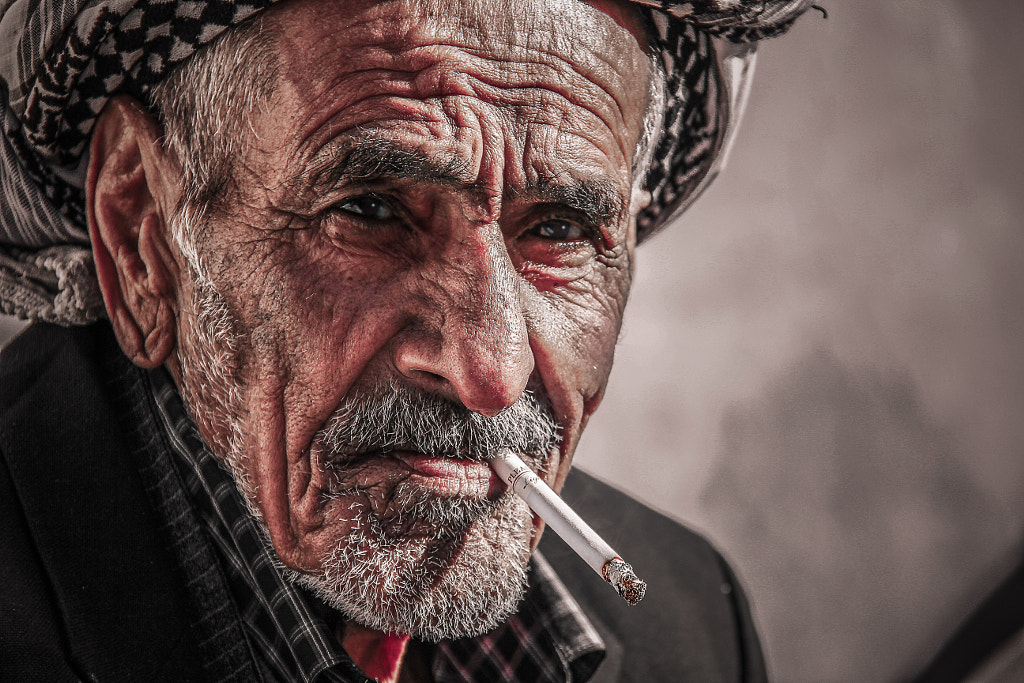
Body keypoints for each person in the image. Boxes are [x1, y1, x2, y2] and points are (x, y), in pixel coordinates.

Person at [0, 0, 810, 680]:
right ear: (142, 234)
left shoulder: (696, 619)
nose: (491, 372)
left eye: (559, 229)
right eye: (372, 210)